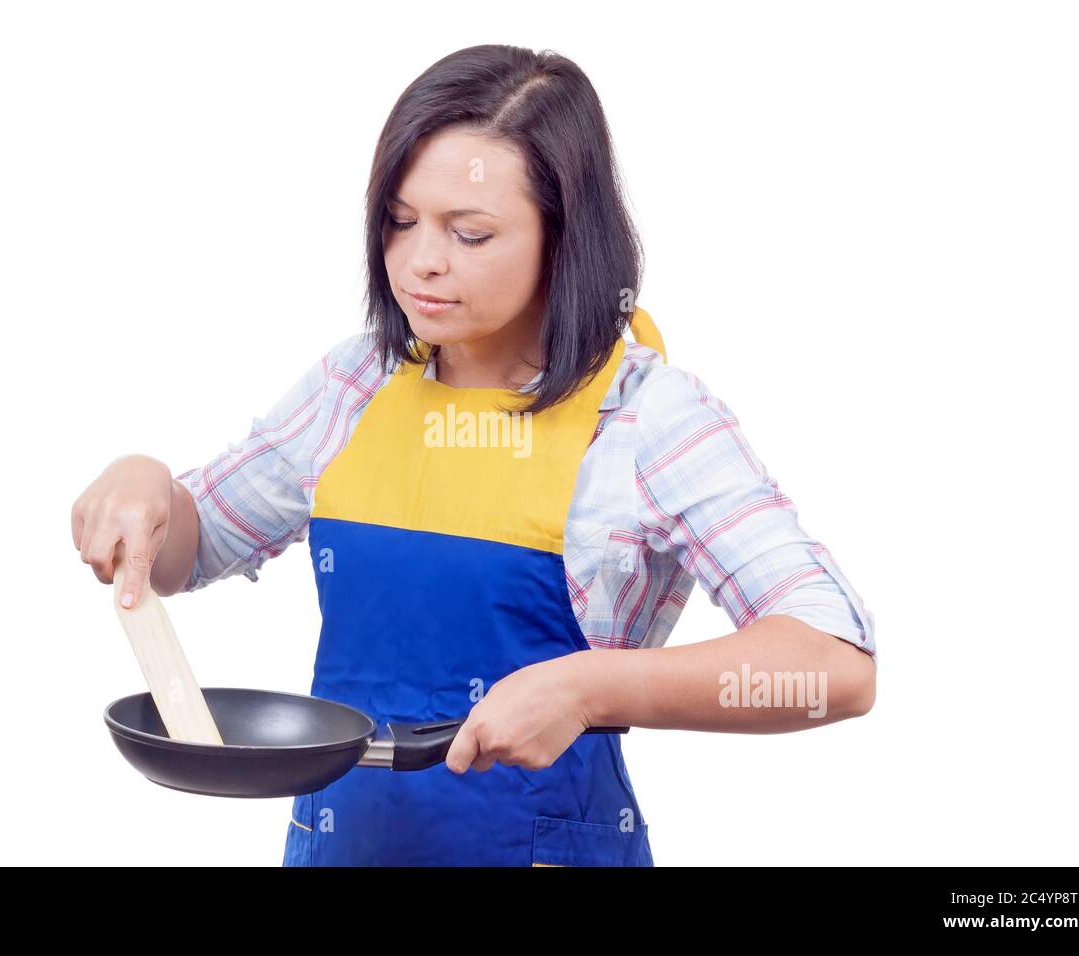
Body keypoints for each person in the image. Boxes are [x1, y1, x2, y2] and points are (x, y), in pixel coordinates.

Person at [71, 44, 878, 867]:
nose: (421, 260)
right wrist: (146, 486)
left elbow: (832, 665)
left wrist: (585, 686)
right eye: (400, 219)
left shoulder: (645, 418)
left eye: (472, 232)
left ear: (562, 238)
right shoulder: (358, 386)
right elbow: (188, 547)